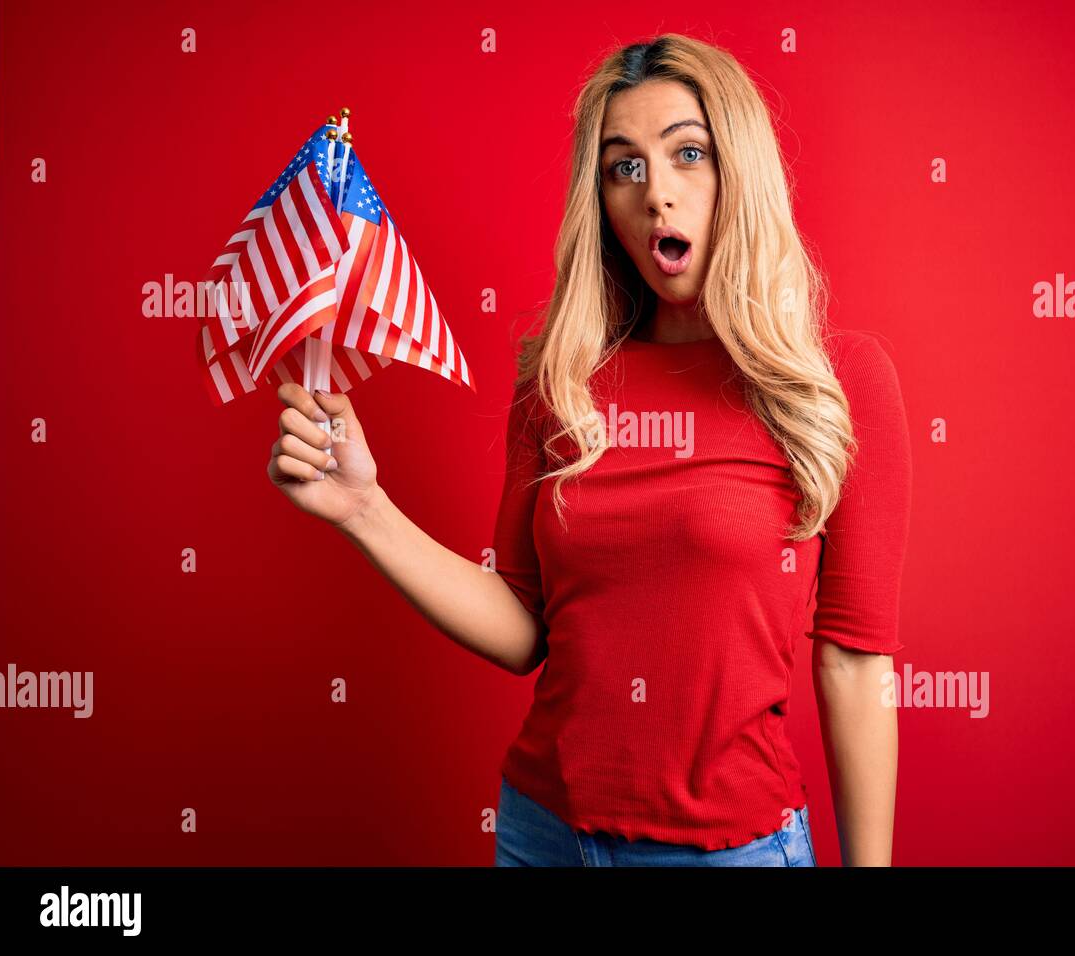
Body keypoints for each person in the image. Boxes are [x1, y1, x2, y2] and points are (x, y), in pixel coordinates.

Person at [266, 33, 912, 867]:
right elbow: (523, 628)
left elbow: (858, 666)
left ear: (741, 173)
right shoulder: (561, 377)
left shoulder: (840, 382)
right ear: (601, 198)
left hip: (724, 852)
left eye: (688, 155)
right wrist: (364, 509)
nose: (657, 195)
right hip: (541, 834)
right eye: (625, 167)